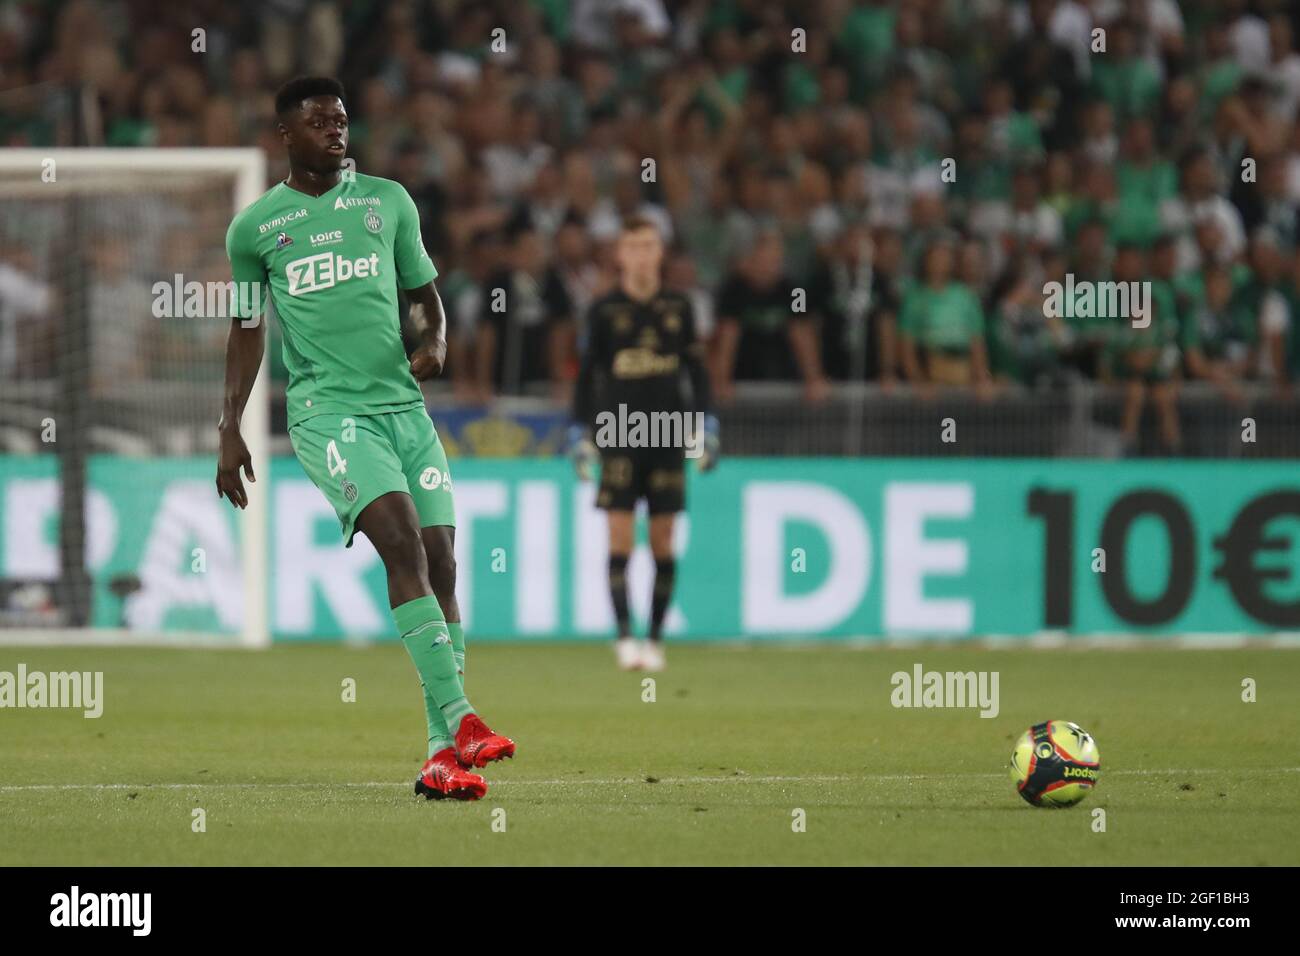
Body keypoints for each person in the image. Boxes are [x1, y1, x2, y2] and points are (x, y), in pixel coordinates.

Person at [217, 77, 514, 802]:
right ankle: (463, 718)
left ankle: (441, 757)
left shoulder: (388, 203)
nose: (335, 130)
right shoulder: (256, 229)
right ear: (287, 132)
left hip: (404, 411)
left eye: (342, 120)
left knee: (442, 561)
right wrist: (229, 427)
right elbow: (249, 329)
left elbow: (424, 297)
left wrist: (437, 341)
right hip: (331, 415)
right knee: (404, 544)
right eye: (319, 121)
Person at [569, 217, 717, 671]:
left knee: (663, 539)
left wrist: (707, 426)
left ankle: (654, 639)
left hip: (668, 434)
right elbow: (588, 376)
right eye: (632, 246)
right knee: (618, 536)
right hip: (617, 433)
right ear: (620, 255)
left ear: (660, 253)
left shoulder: (680, 307)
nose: (641, 254)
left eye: (649, 246)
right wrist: (580, 432)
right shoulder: (604, 311)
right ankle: (624, 637)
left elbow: (696, 372)